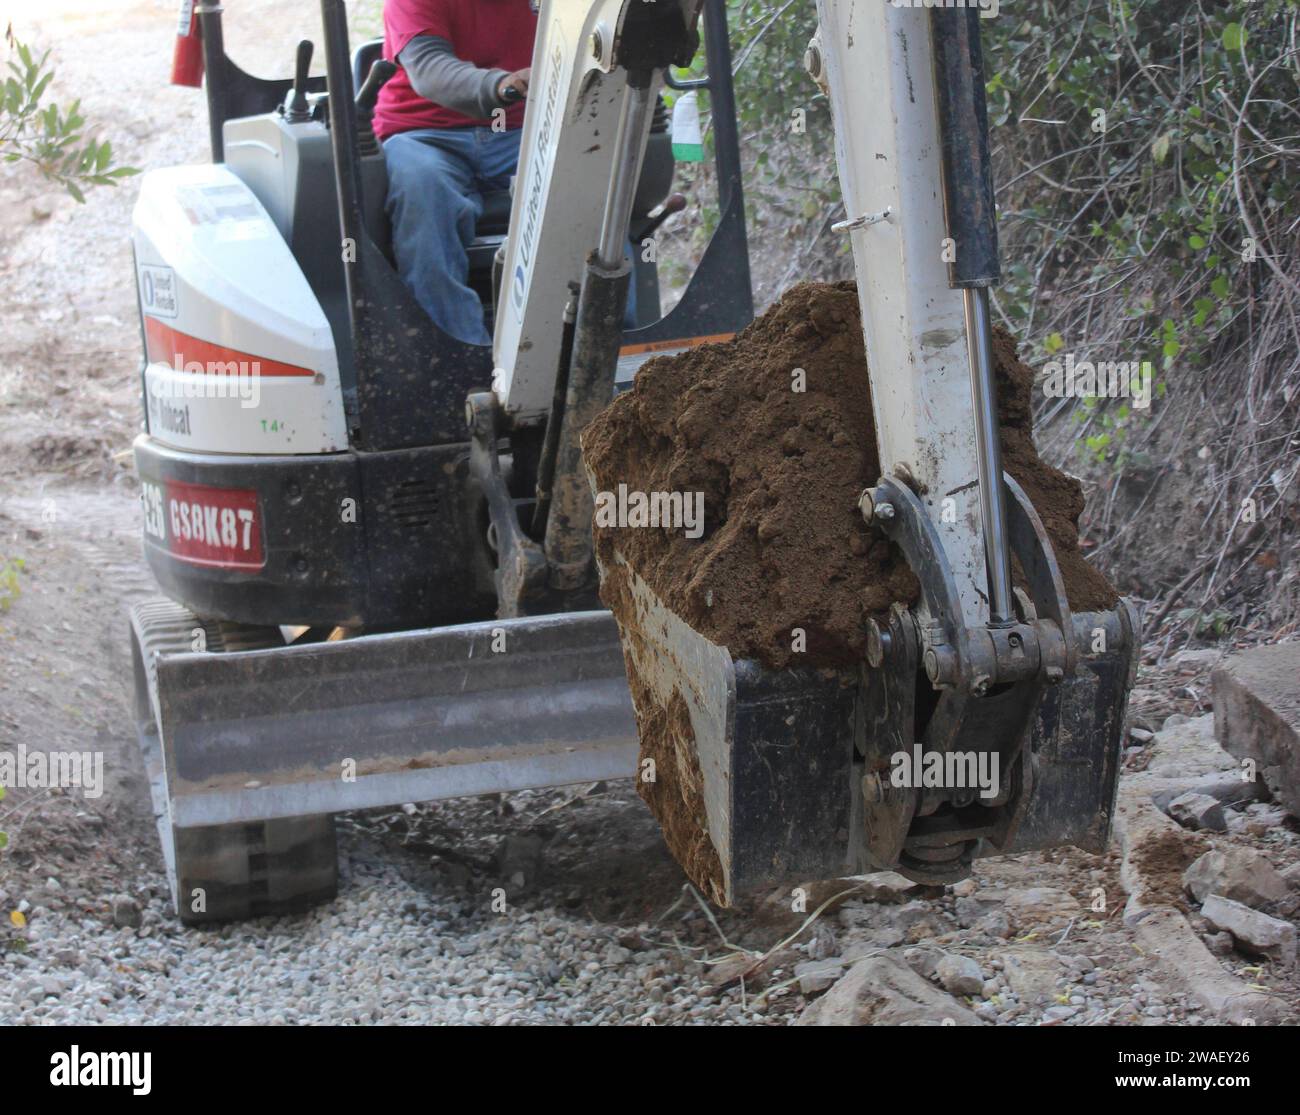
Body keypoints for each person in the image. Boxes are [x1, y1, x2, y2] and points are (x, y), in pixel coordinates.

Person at [373, 0, 538, 346]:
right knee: (423, 187)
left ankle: (608, 343)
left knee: (583, 178)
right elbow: (431, 69)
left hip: (522, 130)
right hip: (423, 133)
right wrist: (500, 85)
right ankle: (457, 355)